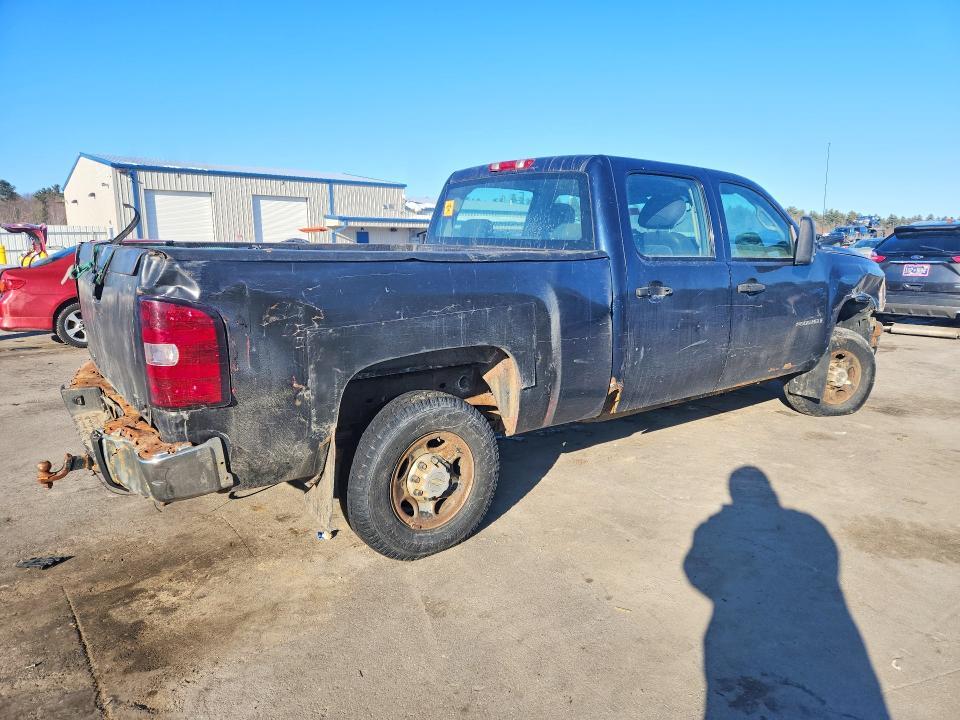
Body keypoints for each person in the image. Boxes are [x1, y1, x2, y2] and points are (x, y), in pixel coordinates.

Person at [684, 466, 889, 719]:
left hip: (736, 621)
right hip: (816, 627)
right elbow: (828, 562)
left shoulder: (714, 524)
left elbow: (693, 569)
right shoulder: (807, 523)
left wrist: (723, 593)